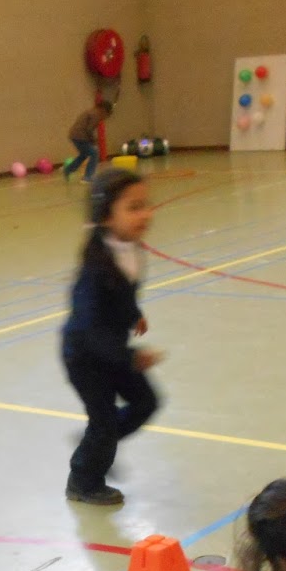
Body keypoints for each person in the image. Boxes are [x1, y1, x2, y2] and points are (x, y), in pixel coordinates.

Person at [61, 167, 164, 506]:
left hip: (112, 350)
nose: (145, 214)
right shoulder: (95, 269)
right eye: (133, 208)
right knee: (103, 420)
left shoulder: (130, 249)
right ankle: (83, 481)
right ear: (106, 216)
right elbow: (90, 328)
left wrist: (134, 313)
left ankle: (95, 442)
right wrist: (131, 358)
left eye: (145, 205)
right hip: (86, 357)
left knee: (145, 402)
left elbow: (124, 291)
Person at [62, 100, 112, 182]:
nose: (105, 117)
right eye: (107, 114)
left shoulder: (91, 111)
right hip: (80, 136)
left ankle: (68, 169)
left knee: (84, 155)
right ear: (103, 110)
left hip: (74, 135)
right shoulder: (96, 115)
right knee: (94, 153)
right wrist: (93, 140)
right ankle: (88, 176)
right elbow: (89, 129)